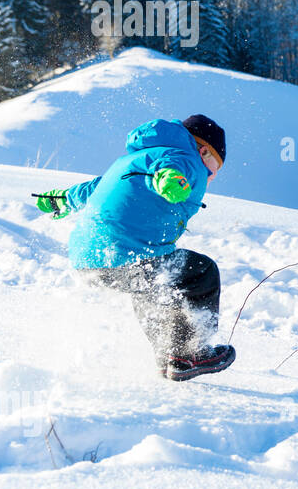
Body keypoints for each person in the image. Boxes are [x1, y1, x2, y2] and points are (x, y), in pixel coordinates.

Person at [33, 115, 236, 382]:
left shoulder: (132, 160)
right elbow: (170, 167)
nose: (211, 176)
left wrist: (62, 199)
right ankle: (191, 353)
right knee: (202, 272)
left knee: (153, 287)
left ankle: (172, 357)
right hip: (127, 255)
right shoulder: (184, 158)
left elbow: (93, 188)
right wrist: (170, 179)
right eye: (214, 167)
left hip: (89, 261)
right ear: (203, 150)